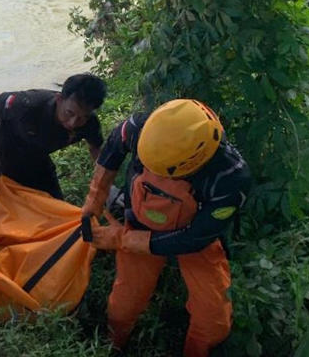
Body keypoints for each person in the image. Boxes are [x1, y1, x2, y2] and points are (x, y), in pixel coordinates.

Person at [81, 99, 251, 356]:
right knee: (124, 305)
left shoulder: (230, 179)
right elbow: (113, 151)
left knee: (213, 317)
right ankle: (111, 345)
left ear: (194, 162)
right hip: (138, 220)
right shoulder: (139, 127)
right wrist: (93, 201)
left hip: (194, 238)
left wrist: (122, 239)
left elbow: (194, 238)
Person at [0, 73, 106, 199]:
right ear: (59, 99)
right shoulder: (27, 104)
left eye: (82, 117)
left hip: (38, 155)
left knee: (54, 203)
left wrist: (104, 185)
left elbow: (96, 149)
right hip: (6, 150)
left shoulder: (90, 123)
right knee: (11, 204)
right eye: (69, 113)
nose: (73, 123)